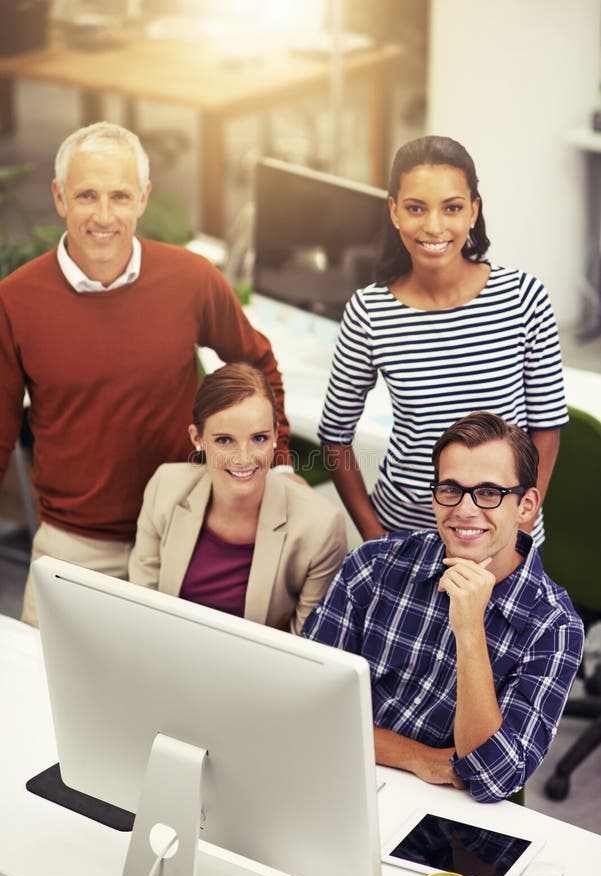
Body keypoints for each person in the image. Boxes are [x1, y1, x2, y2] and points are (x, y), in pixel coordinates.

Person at [0, 122, 293, 628]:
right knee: (42, 694)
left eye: (120, 195)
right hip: (76, 545)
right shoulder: (15, 299)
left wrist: (279, 468)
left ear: (143, 199)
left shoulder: (191, 278)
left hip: (186, 535)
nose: (104, 215)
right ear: (59, 198)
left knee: (182, 696)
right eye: (87, 195)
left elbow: (257, 364)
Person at [303, 412, 584, 802]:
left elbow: (491, 775)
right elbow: (303, 705)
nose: (465, 510)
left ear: (525, 506)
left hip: (446, 818)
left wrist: (470, 628)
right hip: (334, 774)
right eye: (450, 489)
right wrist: (418, 757)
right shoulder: (373, 565)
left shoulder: (554, 626)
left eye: (489, 493)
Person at [319, 135, 567, 545]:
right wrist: (375, 536)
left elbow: (546, 431)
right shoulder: (369, 312)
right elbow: (335, 436)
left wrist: (517, 532)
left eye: (451, 208)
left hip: (504, 536)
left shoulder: (524, 298)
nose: (434, 226)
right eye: (416, 208)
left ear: (473, 211)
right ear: (394, 212)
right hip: (407, 533)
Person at [129, 363, 348, 634]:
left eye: (259, 438)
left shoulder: (321, 527)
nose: (244, 458)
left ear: (275, 436)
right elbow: (141, 606)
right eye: (224, 440)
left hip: (262, 673)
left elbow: (304, 648)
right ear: (197, 438)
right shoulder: (166, 486)